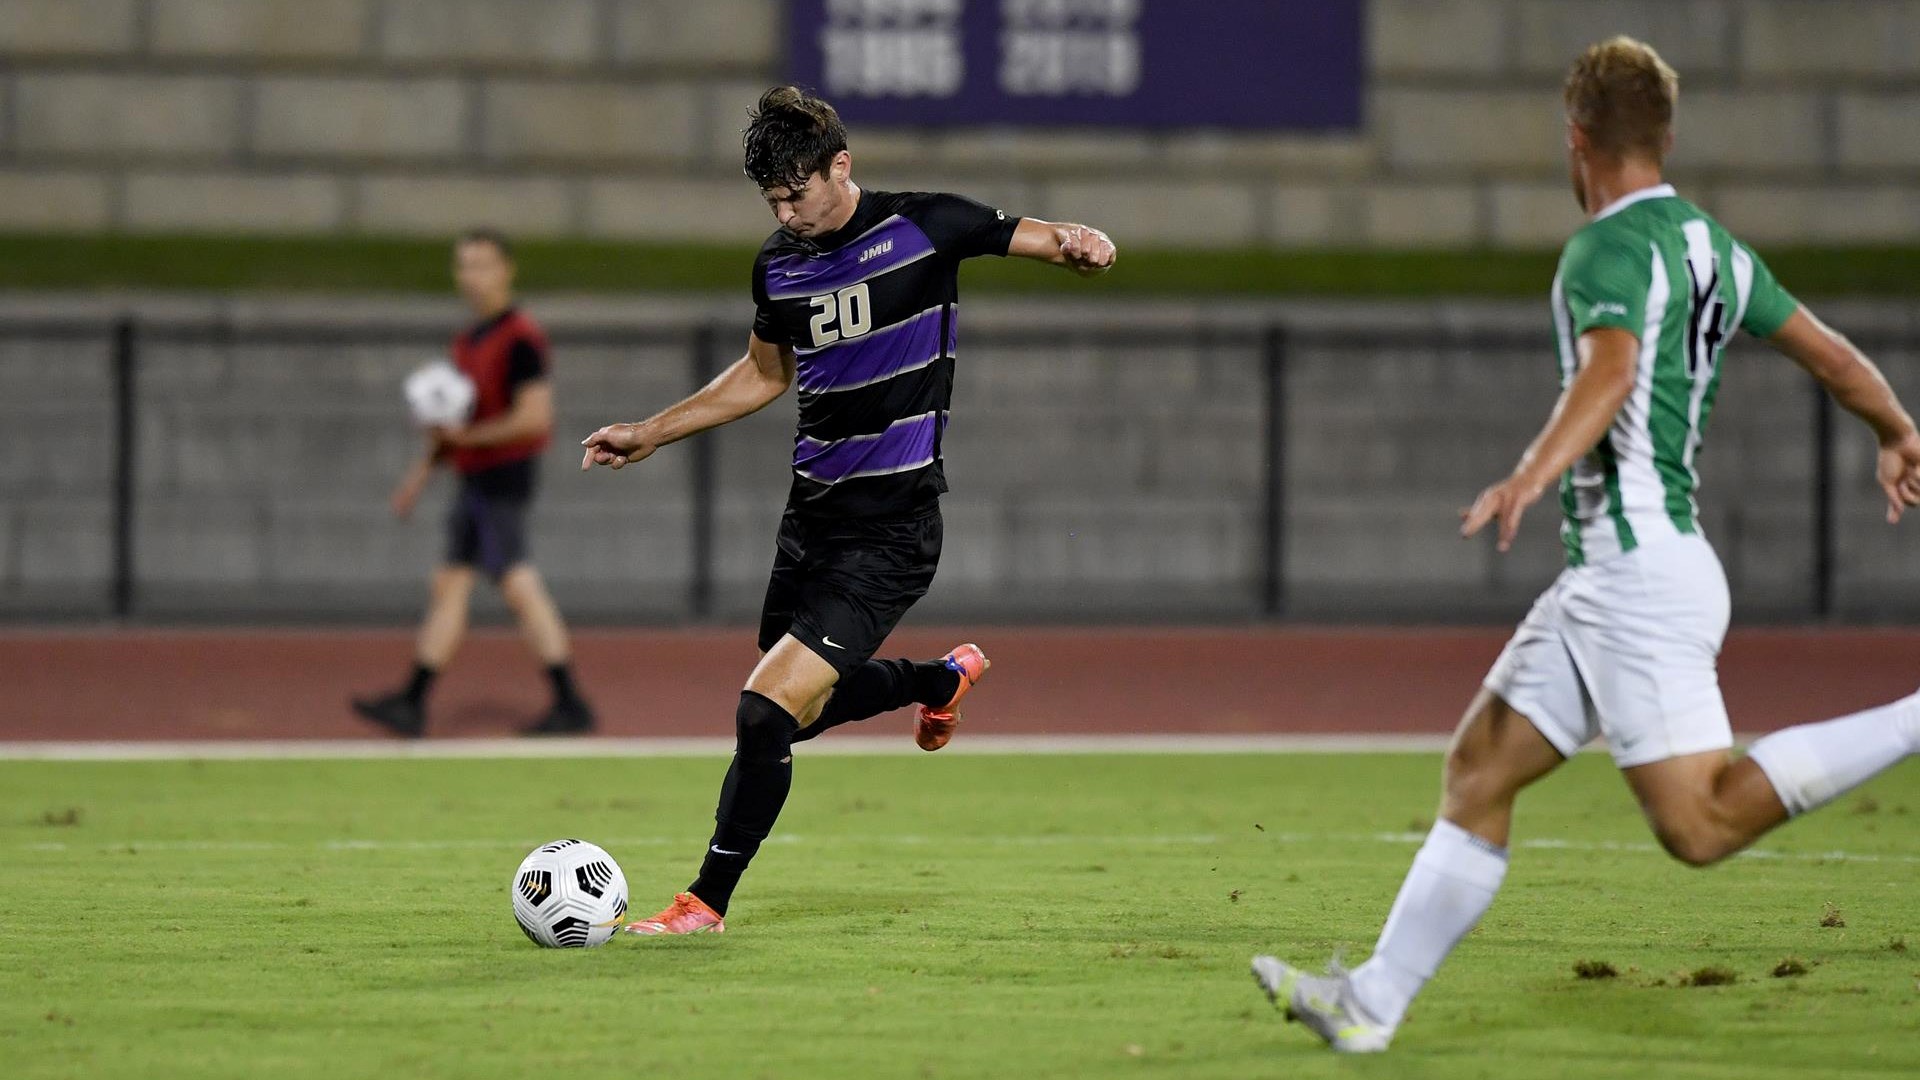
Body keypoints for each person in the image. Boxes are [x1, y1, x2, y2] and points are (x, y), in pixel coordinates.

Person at [1252, 36, 1920, 1053]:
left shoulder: (1605, 247)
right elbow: (1827, 353)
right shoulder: (1714, 247)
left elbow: (1607, 373)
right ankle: (1371, 1003)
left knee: (1698, 826)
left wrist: (1530, 471)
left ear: (1577, 142)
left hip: (1638, 574)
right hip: (1620, 573)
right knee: (1479, 769)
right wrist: (1896, 430)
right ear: (1665, 135)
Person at [580, 86, 1117, 934]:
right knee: (793, 710)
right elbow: (764, 372)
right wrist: (653, 431)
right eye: (772, 201)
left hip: (893, 529)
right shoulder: (778, 265)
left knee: (764, 712)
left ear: (842, 166)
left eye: (798, 193)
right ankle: (939, 678)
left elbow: (1041, 237)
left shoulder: (927, 225)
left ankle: (703, 904)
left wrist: (1083, 244)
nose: (787, 212)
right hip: (811, 522)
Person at [351, 229, 595, 739]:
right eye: (464, 265)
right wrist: (419, 475)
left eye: (483, 264)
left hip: (502, 476)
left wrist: (468, 438)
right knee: (451, 585)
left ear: (507, 270)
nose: (472, 276)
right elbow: (454, 426)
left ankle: (570, 701)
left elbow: (533, 419)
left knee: (517, 585)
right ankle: (413, 700)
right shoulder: (467, 342)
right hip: (475, 477)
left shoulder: (521, 338)